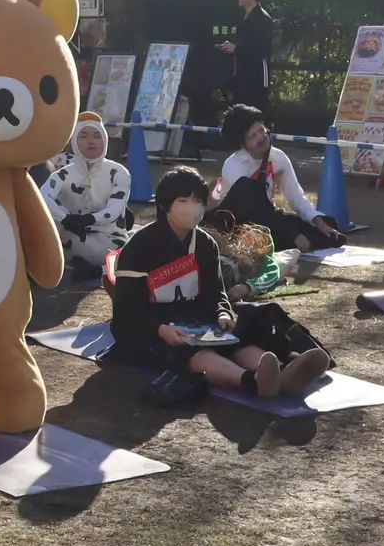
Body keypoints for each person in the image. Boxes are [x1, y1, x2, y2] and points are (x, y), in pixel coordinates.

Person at [109, 168, 330, 398]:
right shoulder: (140, 246)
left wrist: (223, 313)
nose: (192, 207)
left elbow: (216, 293)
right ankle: (253, 381)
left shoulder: (205, 243)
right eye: (183, 200)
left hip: (192, 317)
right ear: (165, 205)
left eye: (198, 201)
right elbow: (126, 307)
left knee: (235, 337)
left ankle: (284, 375)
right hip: (145, 325)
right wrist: (160, 329)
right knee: (188, 349)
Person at [214, 104, 345, 254]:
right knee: (281, 231)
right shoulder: (233, 166)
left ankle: (308, 236)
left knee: (323, 228)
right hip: (242, 224)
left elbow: (296, 197)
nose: (261, 138)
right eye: (252, 137)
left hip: (271, 218)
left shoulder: (278, 157)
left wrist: (318, 221)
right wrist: (292, 234)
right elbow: (257, 209)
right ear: (242, 144)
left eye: (261, 130)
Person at [40, 111, 134, 279]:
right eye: (83, 136)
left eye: (97, 136)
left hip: (110, 237)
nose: (91, 141)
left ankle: (98, 271)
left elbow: (115, 209)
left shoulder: (120, 173)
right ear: (74, 140)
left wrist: (89, 220)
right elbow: (44, 197)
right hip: (71, 235)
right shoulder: (62, 174)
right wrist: (65, 218)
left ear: (105, 140)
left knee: (134, 252)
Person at [218, 0, 274, 115]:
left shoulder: (263, 19)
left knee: (257, 120)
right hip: (242, 80)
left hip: (256, 82)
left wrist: (236, 49)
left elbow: (264, 50)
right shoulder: (245, 18)